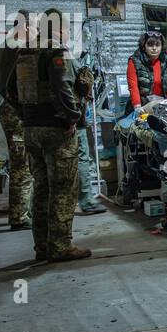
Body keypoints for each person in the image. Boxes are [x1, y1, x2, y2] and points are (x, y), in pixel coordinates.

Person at [5, 8, 92, 263]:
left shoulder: (24, 53)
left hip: (31, 130)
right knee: (64, 189)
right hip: (57, 130)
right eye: (66, 29)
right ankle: (60, 246)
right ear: (59, 29)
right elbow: (63, 86)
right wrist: (72, 118)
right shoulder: (57, 53)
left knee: (42, 188)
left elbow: (10, 90)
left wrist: (25, 116)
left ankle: (42, 245)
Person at [0, 9, 33, 230]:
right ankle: (19, 217)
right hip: (16, 111)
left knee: (21, 163)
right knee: (22, 165)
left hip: (9, 109)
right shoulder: (17, 48)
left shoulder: (3, 46)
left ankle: (22, 212)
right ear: (25, 27)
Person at [72, 49, 106, 216]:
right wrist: (73, 115)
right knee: (81, 157)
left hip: (43, 121)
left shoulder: (27, 55)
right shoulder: (62, 57)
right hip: (71, 121)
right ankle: (86, 201)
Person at [126, 30, 167, 109]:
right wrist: (137, 106)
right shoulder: (134, 61)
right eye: (150, 45)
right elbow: (133, 86)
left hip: (164, 104)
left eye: (157, 45)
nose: (154, 48)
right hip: (143, 105)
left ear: (162, 46)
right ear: (144, 47)